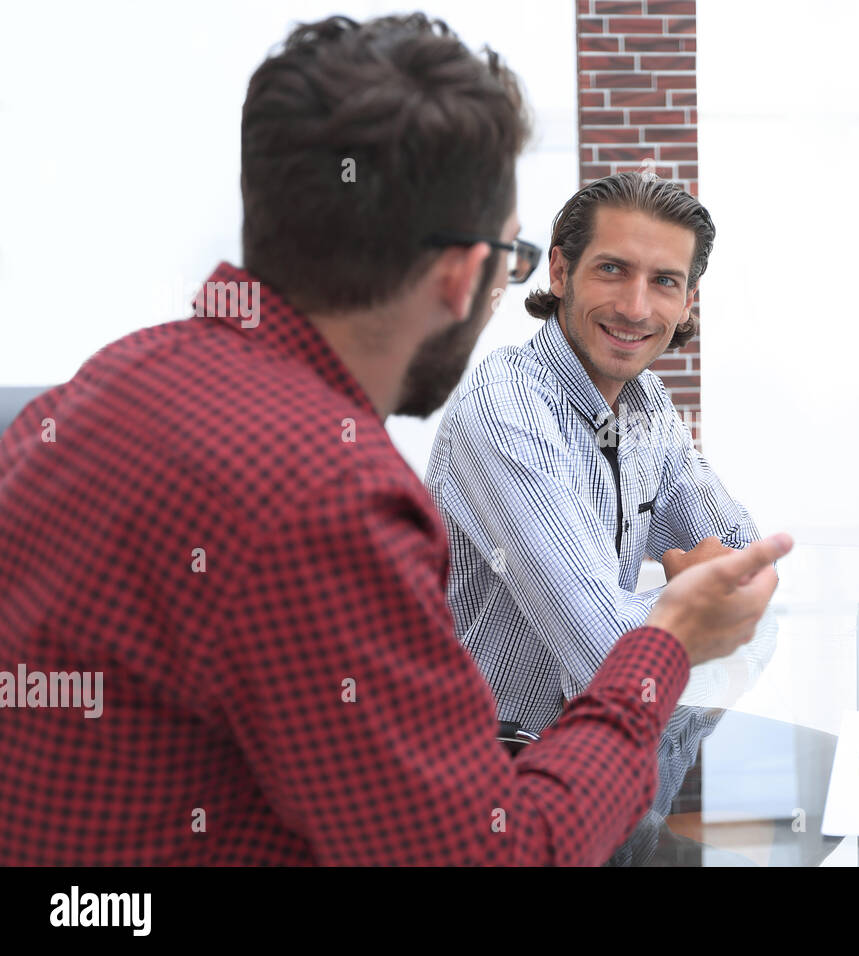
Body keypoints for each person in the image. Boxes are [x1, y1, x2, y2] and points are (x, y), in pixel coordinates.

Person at [0, 13, 790, 866]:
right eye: (515, 256)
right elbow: (495, 858)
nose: (637, 307)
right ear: (465, 274)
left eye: (665, 284)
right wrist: (667, 639)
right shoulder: (331, 497)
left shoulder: (99, 385)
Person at [426, 172, 759, 734]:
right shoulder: (504, 409)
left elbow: (746, 558)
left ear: (686, 303)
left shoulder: (647, 403)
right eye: (613, 269)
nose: (635, 308)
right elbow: (607, 648)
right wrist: (689, 597)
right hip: (483, 773)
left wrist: (707, 590)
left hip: (597, 759)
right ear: (560, 272)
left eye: (664, 282)